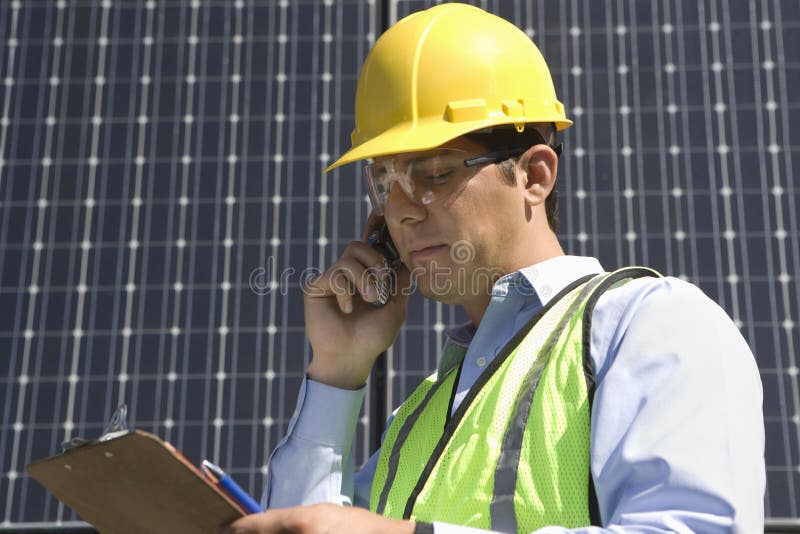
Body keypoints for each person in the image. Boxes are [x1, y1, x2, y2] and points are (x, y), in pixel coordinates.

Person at [223, 4, 765, 533]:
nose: (403, 209)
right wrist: (337, 374)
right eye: (385, 182)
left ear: (534, 175)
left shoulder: (653, 326)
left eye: (432, 172)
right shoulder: (417, 422)